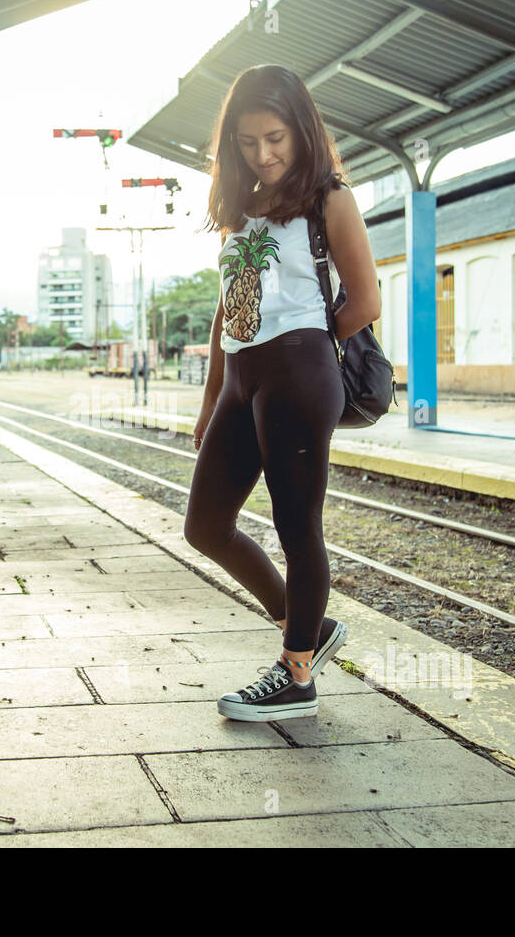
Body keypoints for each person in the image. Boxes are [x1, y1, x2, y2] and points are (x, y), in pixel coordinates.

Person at [184, 65, 382, 722]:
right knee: (206, 526)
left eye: (274, 138)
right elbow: (225, 310)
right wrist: (212, 398)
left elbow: (365, 299)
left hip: (298, 371)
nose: (263, 155)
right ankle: (309, 629)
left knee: (297, 525)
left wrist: (310, 346)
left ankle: (298, 677)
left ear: (300, 130)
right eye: (246, 143)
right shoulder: (238, 211)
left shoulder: (329, 199)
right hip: (242, 375)